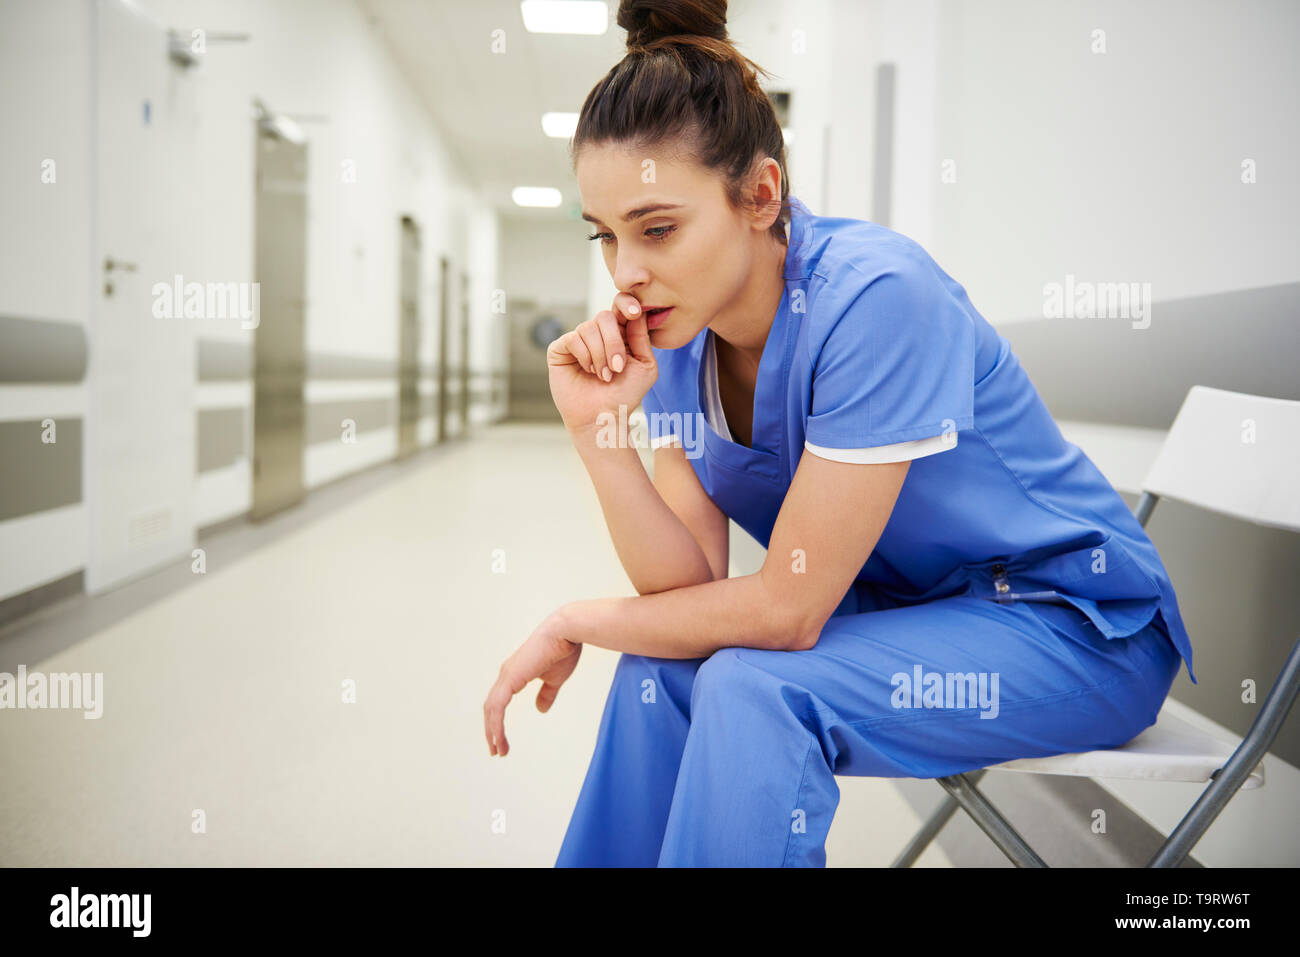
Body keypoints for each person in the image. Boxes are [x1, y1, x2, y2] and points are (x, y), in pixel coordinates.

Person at [482, 0, 1195, 867]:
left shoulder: (876, 297)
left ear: (760, 194)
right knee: (656, 675)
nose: (627, 274)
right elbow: (688, 591)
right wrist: (601, 434)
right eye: (607, 237)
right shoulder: (672, 337)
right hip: (908, 617)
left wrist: (575, 617)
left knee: (755, 688)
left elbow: (784, 612)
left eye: (658, 228)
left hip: (1072, 626)